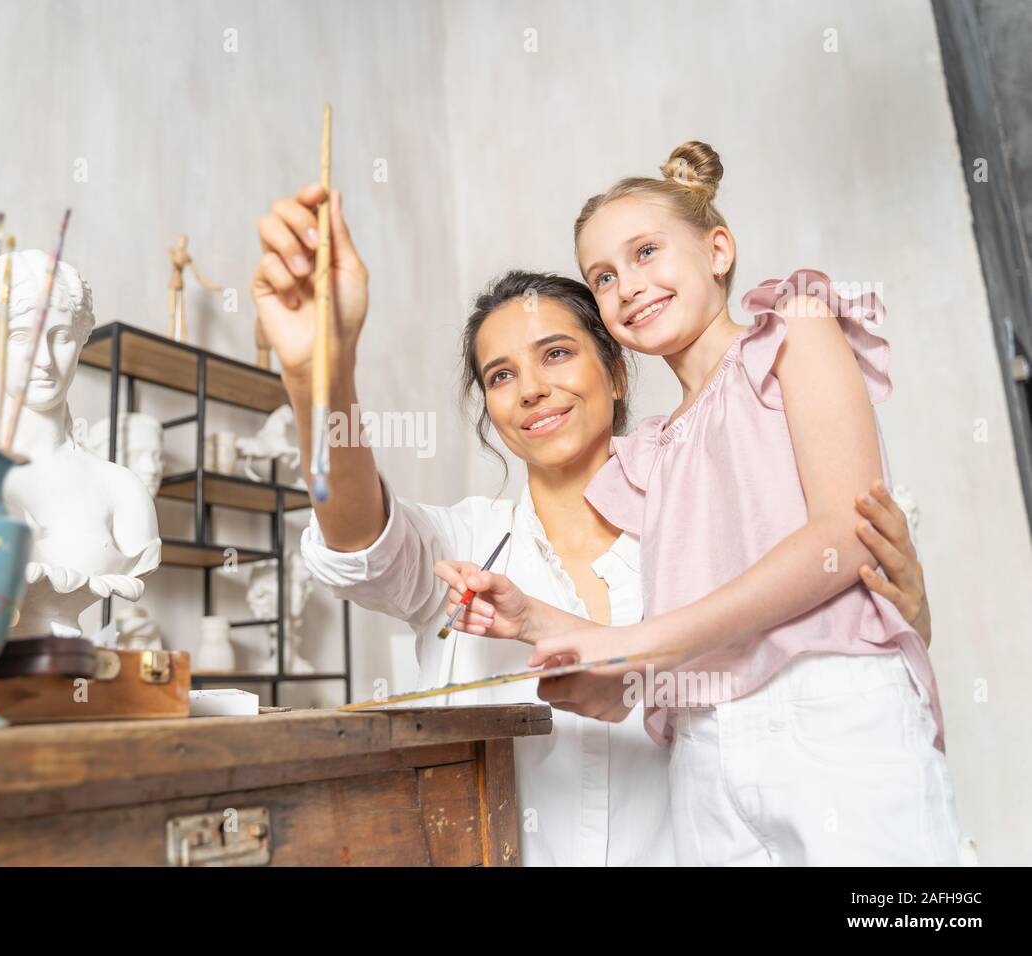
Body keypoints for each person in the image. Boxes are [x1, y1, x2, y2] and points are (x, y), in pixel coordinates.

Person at [249, 182, 935, 866]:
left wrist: (900, 609)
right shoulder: (468, 549)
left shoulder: (701, 513)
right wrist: (321, 376)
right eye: (499, 376)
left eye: (555, 354)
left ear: (617, 372)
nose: (531, 390)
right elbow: (358, 541)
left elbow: (819, 602)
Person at [450, 141, 964, 865]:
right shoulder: (653, 454)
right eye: (604, 276)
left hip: (827, 710)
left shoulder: (795, 331)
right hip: (703, 748)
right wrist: (533, 618)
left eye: (647, 252)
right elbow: (641, 664)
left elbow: (843, 538)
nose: (628, 285)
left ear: (717, 249)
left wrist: (649, 643)